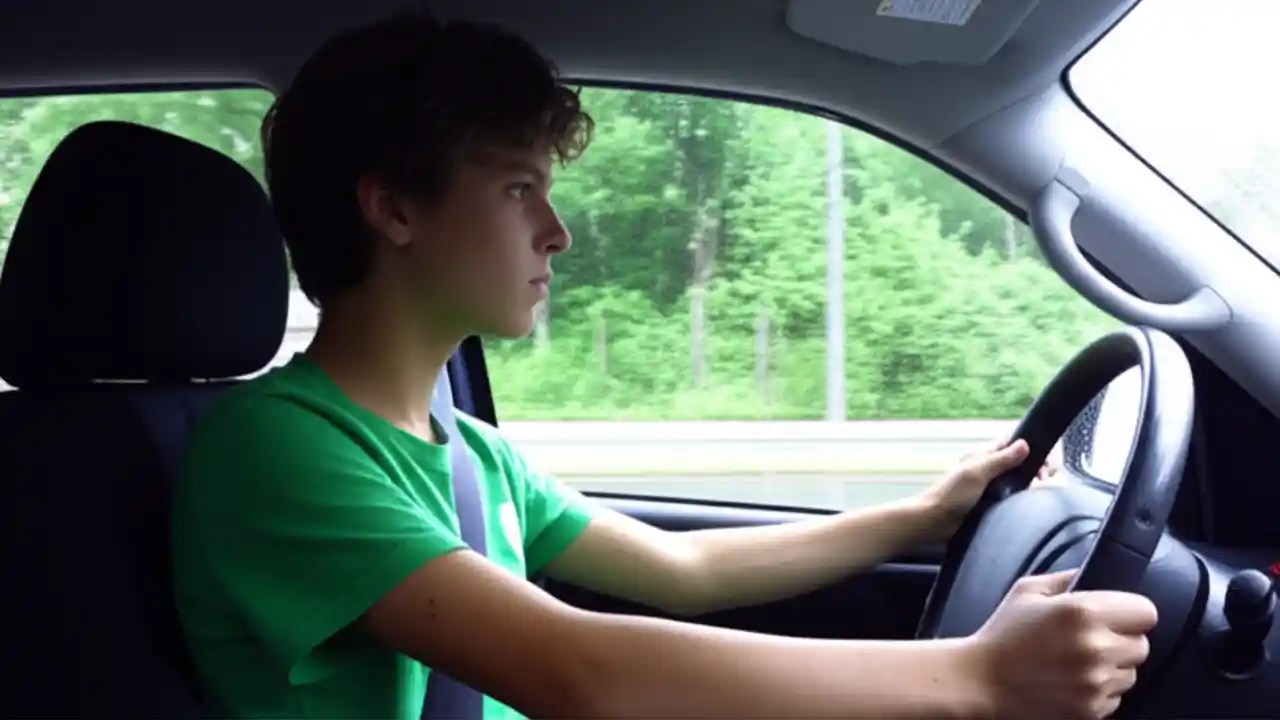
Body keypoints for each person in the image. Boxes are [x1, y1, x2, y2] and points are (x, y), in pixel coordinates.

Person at [171, 11, 1158, 720]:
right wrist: (977, 678)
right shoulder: (277, 451)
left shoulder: (467, 451)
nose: (555, 232)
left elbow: (684, 570)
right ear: (393, 209)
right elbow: (576, 672)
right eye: (517, 189)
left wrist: (921, 516)